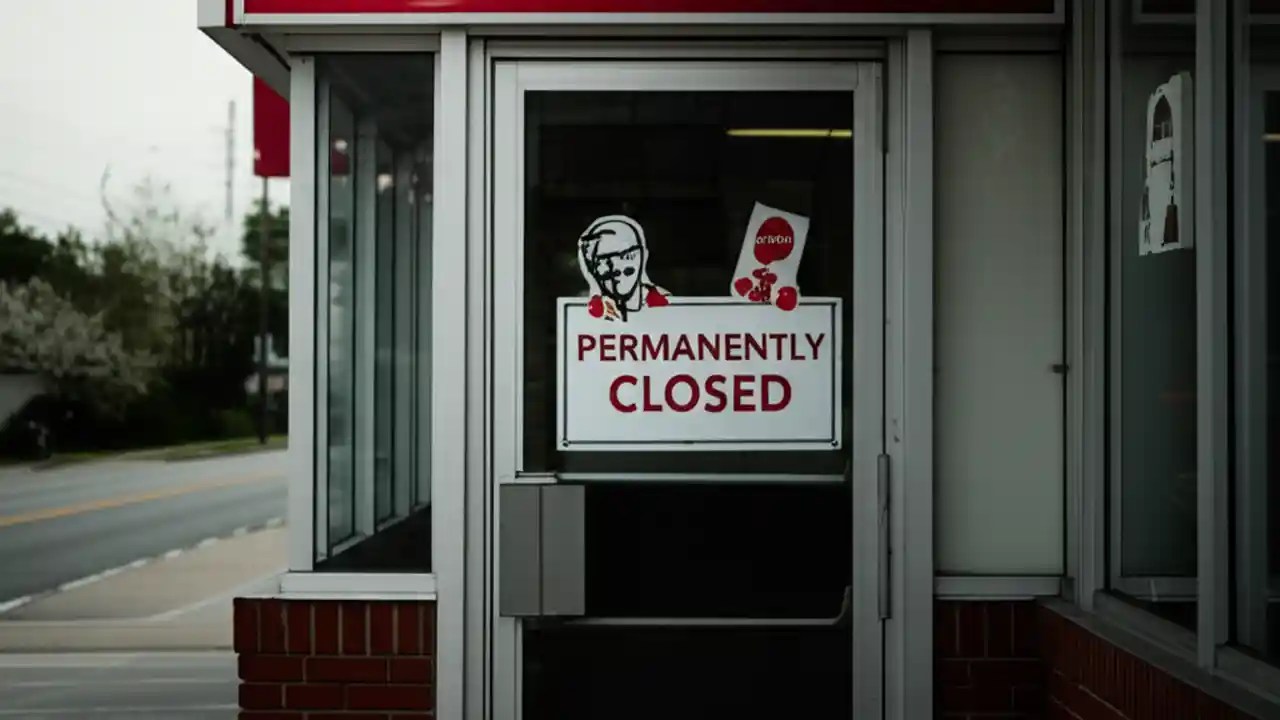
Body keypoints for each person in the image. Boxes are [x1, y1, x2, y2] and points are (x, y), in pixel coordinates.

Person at [576, 215, 669, 321]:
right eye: (605, 261)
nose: (617, 268)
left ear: (644, 257)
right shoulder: (586, 313)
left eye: (627, 256)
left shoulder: (664, 303)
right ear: (592, 269)